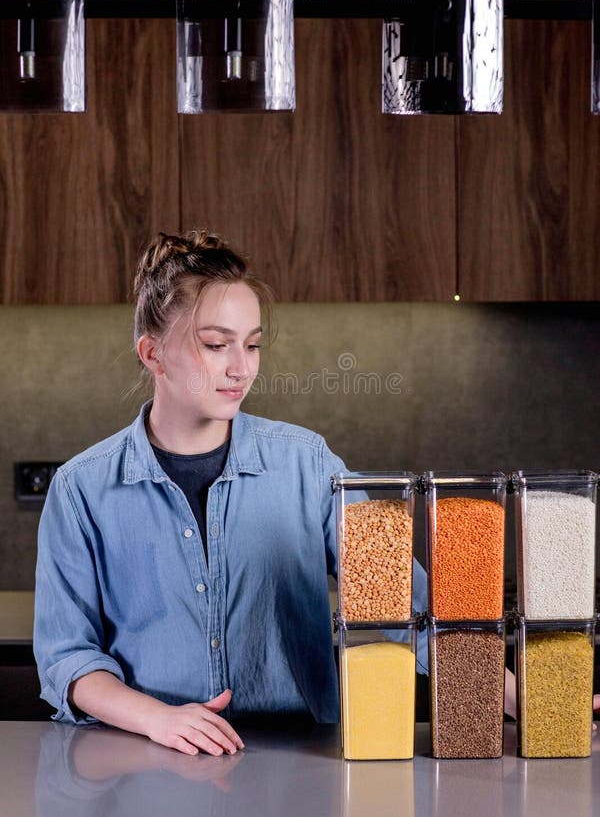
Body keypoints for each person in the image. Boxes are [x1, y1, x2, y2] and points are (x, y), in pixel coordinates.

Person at [34, 230, 429, 757]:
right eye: (216, 345)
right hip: (147, 765)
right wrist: (159, 719)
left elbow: (410, 605)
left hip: (301, 764)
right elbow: (67, 657)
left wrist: (516, 694)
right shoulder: (81, 489)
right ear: (153, 354)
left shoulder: (307, 465)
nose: (241, 367)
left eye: (253, 344)